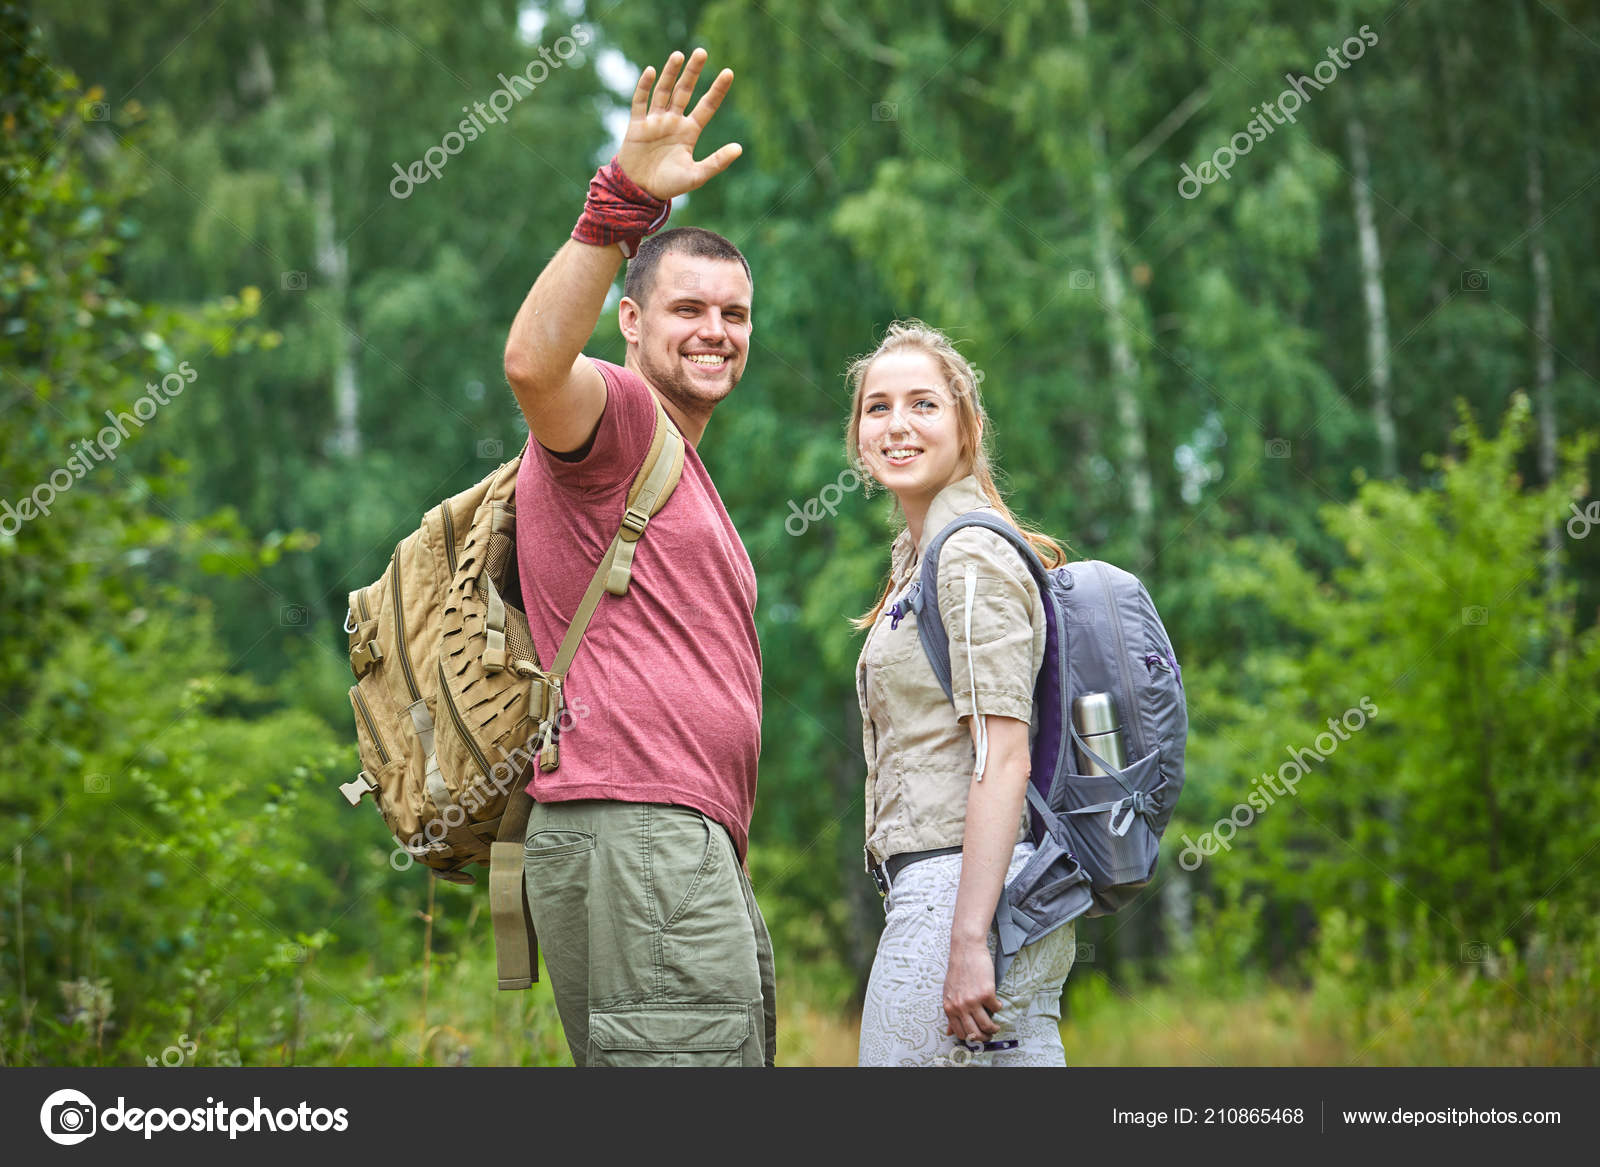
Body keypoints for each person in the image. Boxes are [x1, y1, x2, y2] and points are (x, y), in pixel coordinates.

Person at [502, 48, 774, 1067]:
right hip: (642, 833)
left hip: (670, 841)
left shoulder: (678, 468)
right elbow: (532, 363)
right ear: (630, 321)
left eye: (734, 314)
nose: (715, 331)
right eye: (688, 310)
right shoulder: (617, 419)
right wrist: (617, 207)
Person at [848, 319, 1079, 1067]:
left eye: (923, 404)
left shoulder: (969, 555)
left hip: (960, 889)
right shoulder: (921, 561)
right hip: (972, 890)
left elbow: (1004, 754)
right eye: (877, 407)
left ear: (967, 426)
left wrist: (969, 937)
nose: (897, 425)